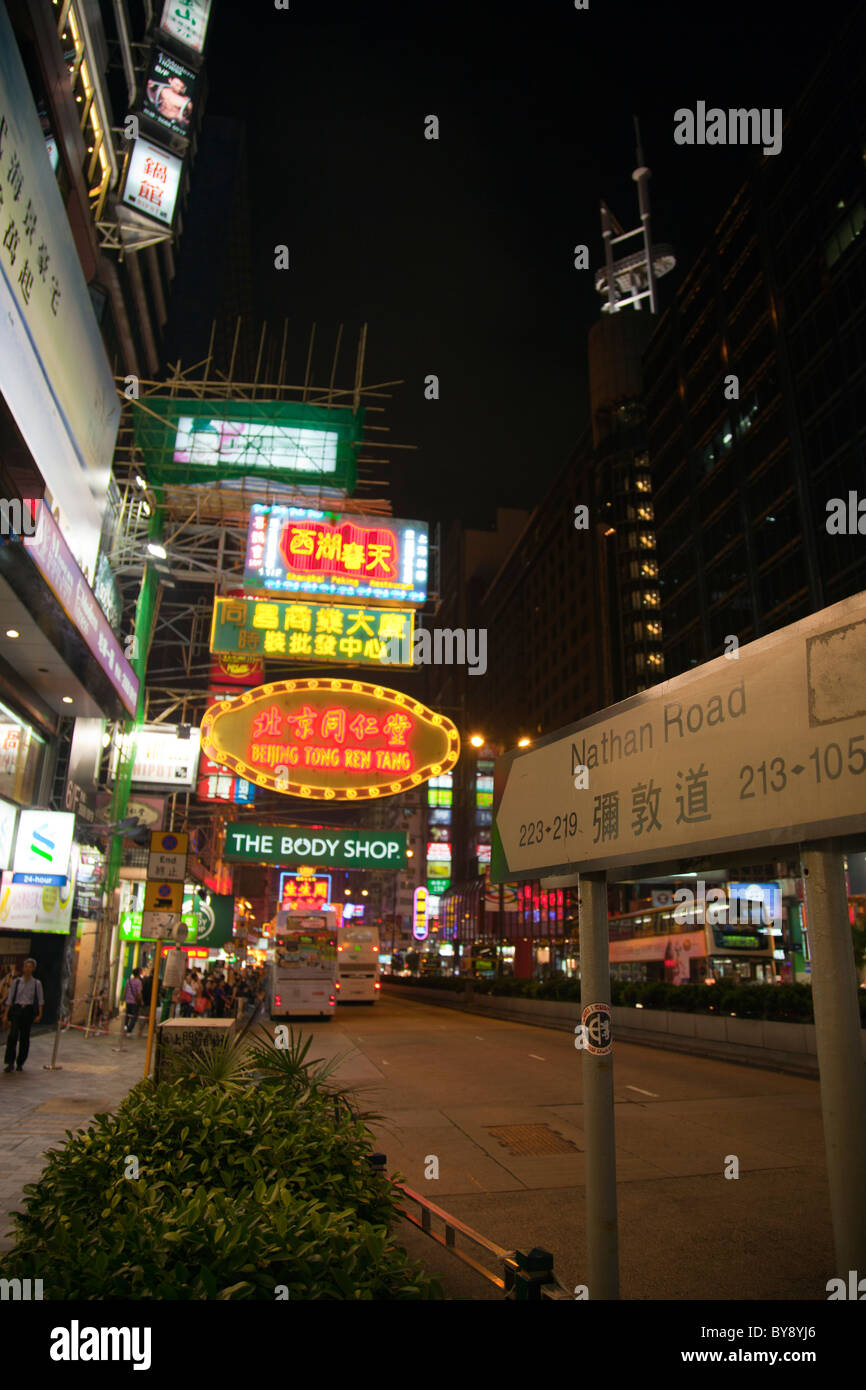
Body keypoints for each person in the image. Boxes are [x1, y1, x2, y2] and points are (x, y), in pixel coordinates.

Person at [3, 958, 44, 1072]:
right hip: (17, 1010)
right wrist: (6, 1014)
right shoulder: (16, 982)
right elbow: (10, 999)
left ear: (33, 969)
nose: (27, 969)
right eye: (26, 966)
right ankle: (10, 1062)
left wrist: (39, 1014)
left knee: (24, 1037)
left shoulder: (37, 983)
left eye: (30, 967)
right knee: (13, 1035)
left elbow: (40, 1000)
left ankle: (20, 1062)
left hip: (28, 1011)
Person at [123, 968, 143, 1034]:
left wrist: (123, 999)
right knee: (134, 1016)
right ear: (138, 974)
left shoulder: (128, 981)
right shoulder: (138, 982)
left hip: (128, 1000)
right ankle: (129, 1029)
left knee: (127, 1015)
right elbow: (139, 993)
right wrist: (141, 1001)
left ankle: (125, 1026)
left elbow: (125, 990)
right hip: (134, 1001)